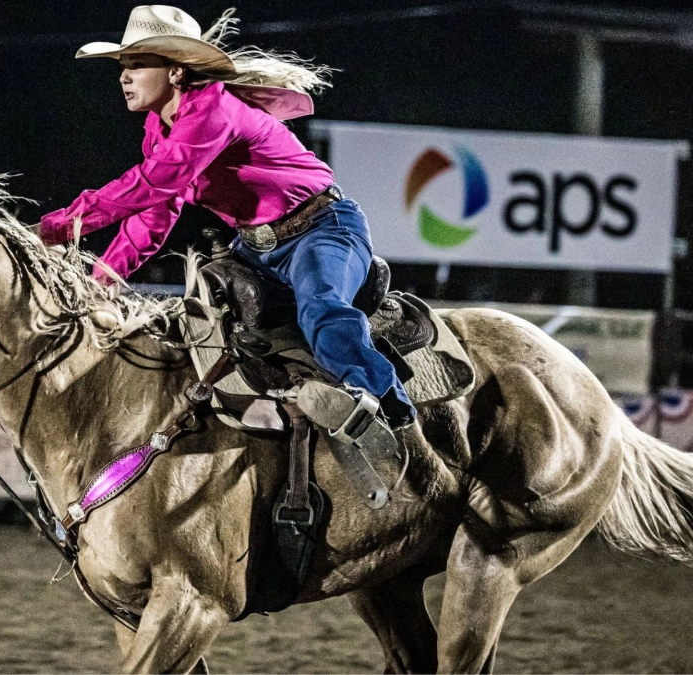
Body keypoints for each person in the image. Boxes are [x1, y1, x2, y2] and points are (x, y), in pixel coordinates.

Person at [36, 5, 416, 449]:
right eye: (123, 67)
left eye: (137, 65)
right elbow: (154, 216)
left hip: (323, 229)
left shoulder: (213, 108)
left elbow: (155, 182)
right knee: (201, 327)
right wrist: (102, 281)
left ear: (176, 72)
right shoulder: (159, 130)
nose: (124, 76)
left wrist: (63, 225)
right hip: (255, 248)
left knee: (321, 308)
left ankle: (389, 406)